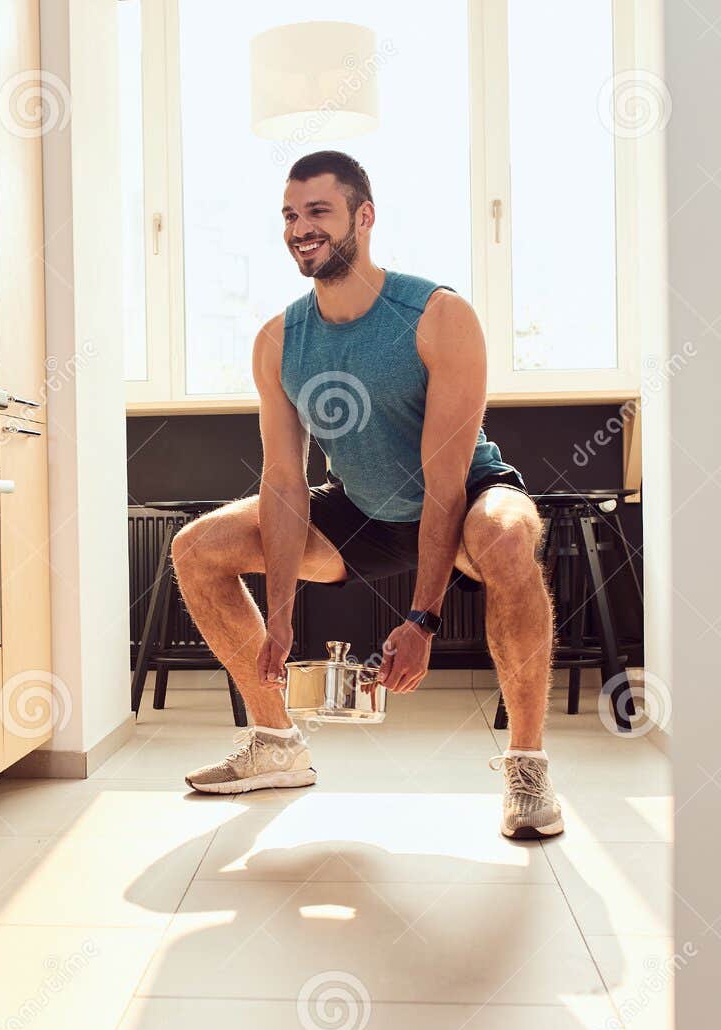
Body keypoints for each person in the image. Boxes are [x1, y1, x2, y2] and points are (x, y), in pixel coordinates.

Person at [170, 150, 561, 839]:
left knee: (506, 537)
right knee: (197, 548)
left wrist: (423, 620)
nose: (300, 227)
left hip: (465, 497)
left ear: (364, 216)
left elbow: (444, 482)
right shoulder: (279, 340)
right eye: (290, 215)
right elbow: (285, 483)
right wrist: (283, 616)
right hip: (364, 511)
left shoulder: (438, 315)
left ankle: (527, 766)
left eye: (318, 211)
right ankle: (276, 742)